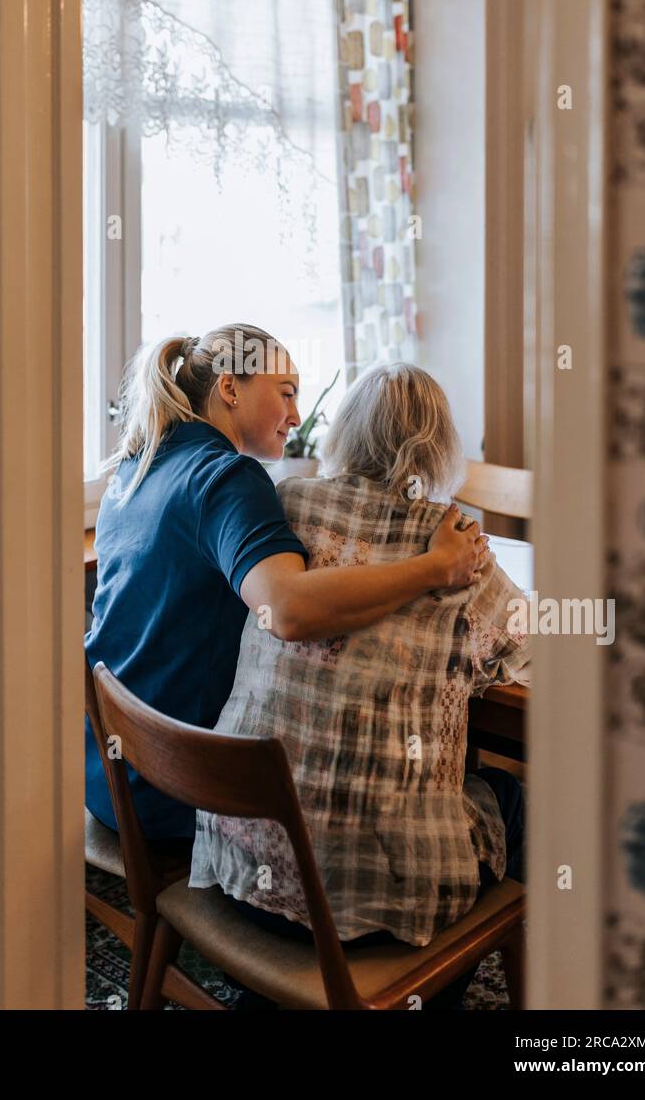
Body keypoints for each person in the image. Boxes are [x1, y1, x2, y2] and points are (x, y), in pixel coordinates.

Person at [189, 362, 531, 1010]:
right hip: (363, 902)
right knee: (512, 802)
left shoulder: (287, 505)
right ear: (436, 447)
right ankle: (437, 986)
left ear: (345, 430)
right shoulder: (451, 540)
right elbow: (526, 650)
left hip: (236, 867)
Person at [85, 326, 488, 856]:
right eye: (287, 392)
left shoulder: (137, 466)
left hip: (111, 777)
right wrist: (435, 566)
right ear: (230, 389)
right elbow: (289, 611)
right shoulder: (227, 477)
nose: (297, 418)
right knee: (494, 794)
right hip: (183, 796)